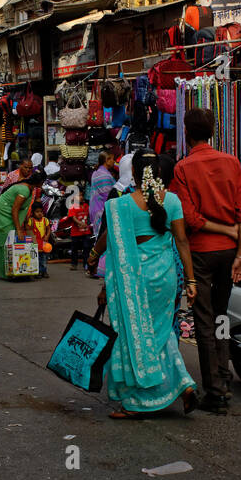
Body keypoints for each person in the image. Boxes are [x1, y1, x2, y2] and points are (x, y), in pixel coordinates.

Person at [87, 151, 197, 419]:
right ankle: (182, 384)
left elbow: (107, 239)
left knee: (134, 335)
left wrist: (92, 256)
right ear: (158, 172)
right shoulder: (171, 200)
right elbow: (182, 242)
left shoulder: (120, 206)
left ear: (133, 174)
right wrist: (191, 280)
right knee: (160, 335)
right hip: (164, 278)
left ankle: (135, 401)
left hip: (132, 279)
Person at [171, 108, 241, 414]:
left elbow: (191, 219)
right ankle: (224, 378)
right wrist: (240, 252)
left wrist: (226, 232)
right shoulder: (231, 163)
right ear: (213, 132)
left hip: (202, 253)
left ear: (187, 133)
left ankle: (215, 390)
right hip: (230, 251)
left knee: (204, 320)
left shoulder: (183, 168)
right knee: (220, 316)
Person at [0, 169, 40, 278]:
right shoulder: (24, 190)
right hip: (1, 212)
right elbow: (15, 210)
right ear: (39, 182)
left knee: (9, 239)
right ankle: (5, 271)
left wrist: (25, 223)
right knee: (5, 239)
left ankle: (11, 270)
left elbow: (23, 209)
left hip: (6, 211)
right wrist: (19, 229)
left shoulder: (28, 188)